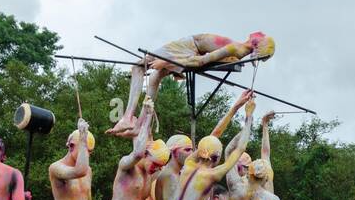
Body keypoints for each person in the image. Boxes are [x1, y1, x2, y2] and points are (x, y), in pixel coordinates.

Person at [111, 33, 276, 133]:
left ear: (256, 44)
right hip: (190, 50)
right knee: (155, 77)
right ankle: (140, 125)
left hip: (186, 48)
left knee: (138, 68)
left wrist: (168, 61)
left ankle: (127, 118)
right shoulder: (238, 50)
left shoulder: (234, 49)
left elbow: (202, 61)